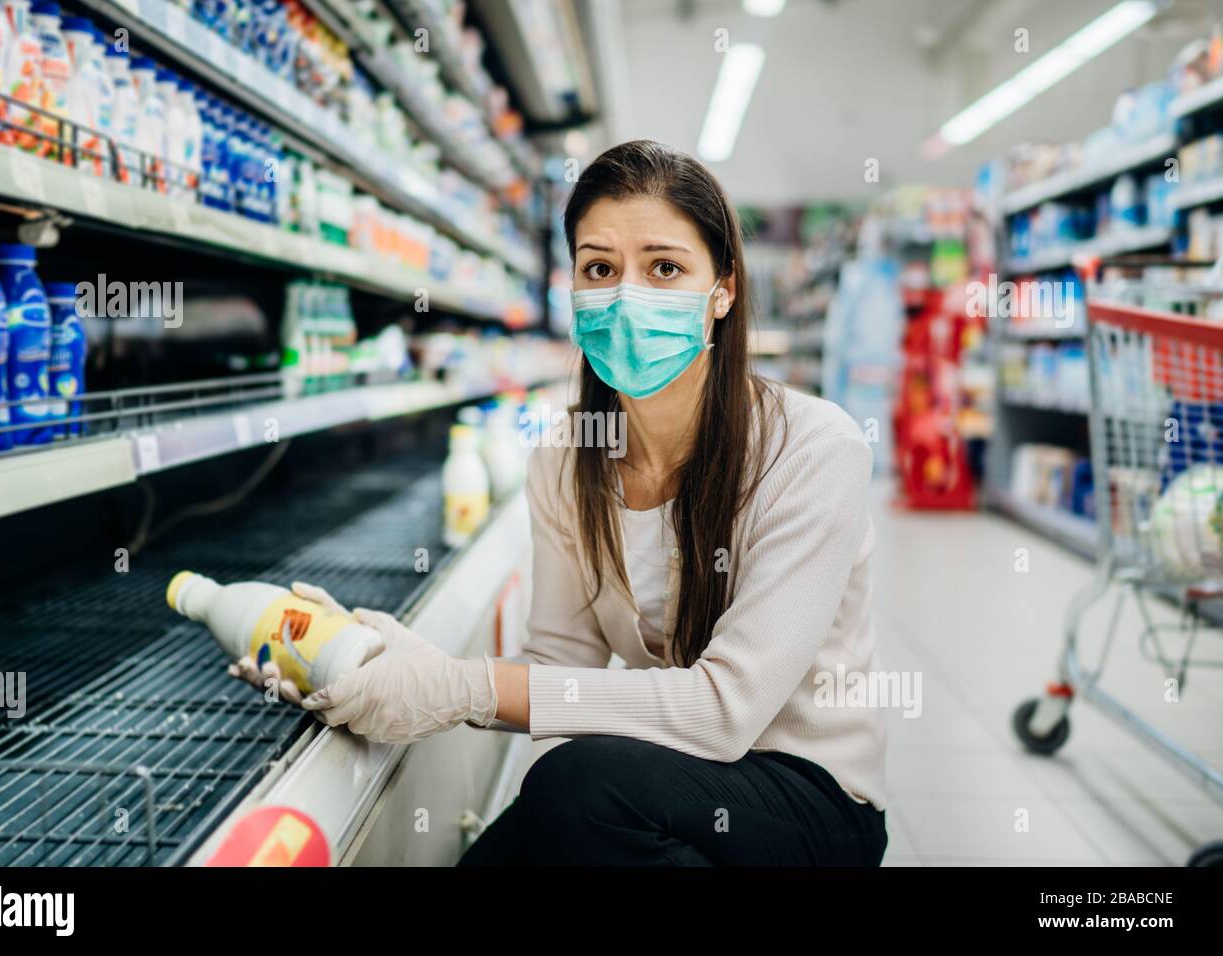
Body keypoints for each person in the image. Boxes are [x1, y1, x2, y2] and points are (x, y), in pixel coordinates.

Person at [231, 140, 888, 866]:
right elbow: (561, 661)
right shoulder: (569, 459)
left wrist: (461, 690)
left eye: (664, 267)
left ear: (723, 290)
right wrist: (379, 666)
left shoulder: (812, 449)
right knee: (530, 829)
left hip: (807, 796)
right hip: (661, 778)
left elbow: (725, 711)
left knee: (577, 787)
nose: (628, 297)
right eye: (600, 269)